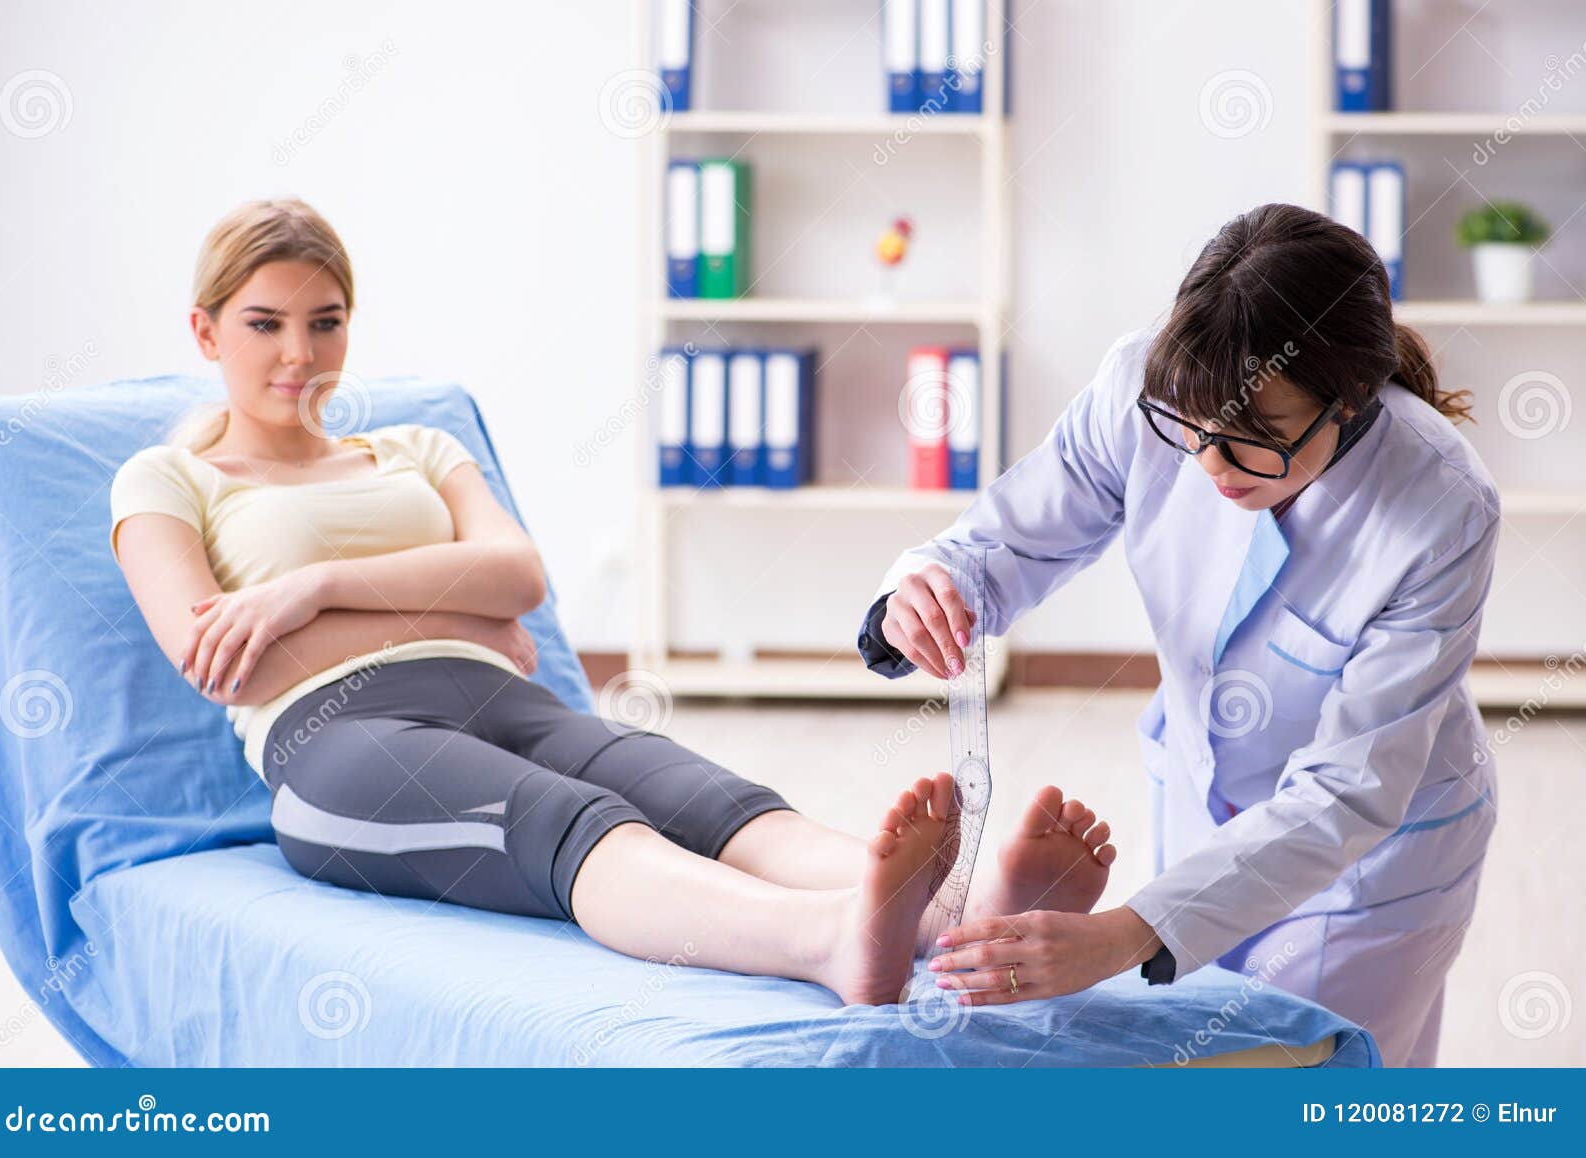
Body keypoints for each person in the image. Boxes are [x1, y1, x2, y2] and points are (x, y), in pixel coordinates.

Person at [108, 198, 1119, 1009]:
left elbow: (518, 580)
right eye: (265, 324)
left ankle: (967, 910)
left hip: (506, 702)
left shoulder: (415, 448)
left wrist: (309, 591)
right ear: (205, 331)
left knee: (702, 797)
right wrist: (463, 619)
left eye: (325, 323)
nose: (300, 354)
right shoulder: (167, 481)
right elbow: (226, 659)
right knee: (576, 820)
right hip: (335, 746)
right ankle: (828, 942)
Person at [860, 203, 1497, 1065]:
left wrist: (1129, 932)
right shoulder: (1146, 386)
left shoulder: (1439, 505)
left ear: (1347, 401)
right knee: (1194, 1065)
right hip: (1200, 809)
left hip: (1370, 867)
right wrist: (924, 587)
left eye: (1253, 443)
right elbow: (1013, 534)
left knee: (1326, 1091)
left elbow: (1349, 789)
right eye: (1191, 433)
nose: (1208, 466)